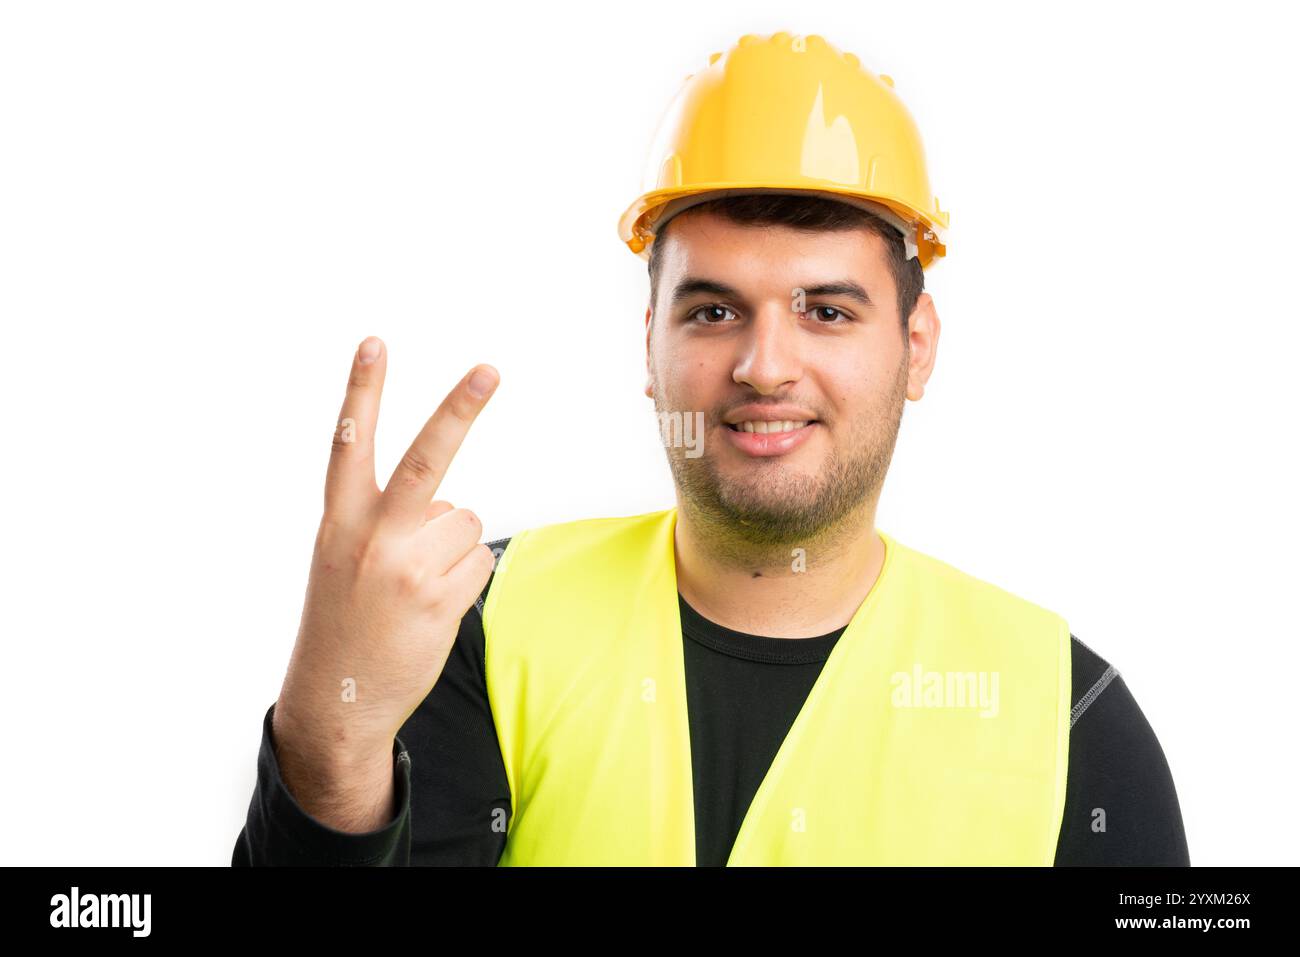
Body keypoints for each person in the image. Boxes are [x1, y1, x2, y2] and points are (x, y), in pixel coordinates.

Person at [233, 31, 1188, 866]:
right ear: (649, 343)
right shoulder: (470, 632)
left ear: (917, 347)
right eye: (714, 310)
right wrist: (332, 736)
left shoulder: (1066, 717)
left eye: (826, 310)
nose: (765, 367)